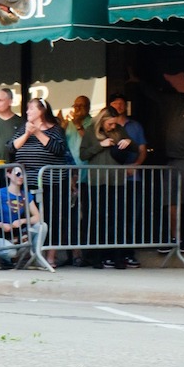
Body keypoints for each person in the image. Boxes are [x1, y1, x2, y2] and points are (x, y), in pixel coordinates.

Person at [146, 71, 184, 253]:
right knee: (171, 200)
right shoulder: (177, 101)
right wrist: (138, 82)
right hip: (172, 160)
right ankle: (174, 238)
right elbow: (156, 96)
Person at [7, 97, 66, 266]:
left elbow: (58, 149)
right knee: (29, 218)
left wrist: (38, 133)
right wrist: (27, 133)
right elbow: (11, 147)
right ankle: (31, 253)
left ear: (41, 111)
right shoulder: (22, 129)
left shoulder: (55, 130)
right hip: (27, 183)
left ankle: (50, 257)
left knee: (51, 218)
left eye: (31, 109)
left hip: (51, 183)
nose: (27, 112)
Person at [79, 110, 135, 269]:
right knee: (98, 219)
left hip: (117, 181)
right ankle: (96, 258)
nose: (112, 126)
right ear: (102, 121)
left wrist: (129, 143)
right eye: (110, 123)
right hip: (97, 181)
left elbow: (136, 148)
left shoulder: (119, 129)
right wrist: (100, 145)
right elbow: (83, 154)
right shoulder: (91, 131)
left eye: (115, 123)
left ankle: (117, 257)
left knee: (117, 219)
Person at [107, 93, 148, 268]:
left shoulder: (135, 126)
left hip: (132, 178)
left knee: (131, 216)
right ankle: (112, 254)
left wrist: (136, 165)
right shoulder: (106, 126)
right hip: (112, 180)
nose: (119, 106)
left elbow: (142, 149)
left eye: (122, 103)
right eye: (115, 103)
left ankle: (128, 253)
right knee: (113, 216)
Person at [0, 165, 45, 268]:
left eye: (23, 174)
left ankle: (34, 257)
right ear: (8, 174)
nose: (21, 177)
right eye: (17, 174)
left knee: (42, 226)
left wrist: (22, 221)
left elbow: (37, 217)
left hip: (16, 234)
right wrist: (0, 224)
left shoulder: (25, 195)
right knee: (10, 252)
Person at [60, 95, 93, 164]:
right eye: (75, 106)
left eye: (81, 106)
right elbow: (60, 140)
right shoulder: (69, 122)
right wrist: (62, 127)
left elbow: (89, 141)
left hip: (86, 164)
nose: (77, 108)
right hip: (69, 162)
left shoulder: (93, 122)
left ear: (88, 108)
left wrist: (77, 124)